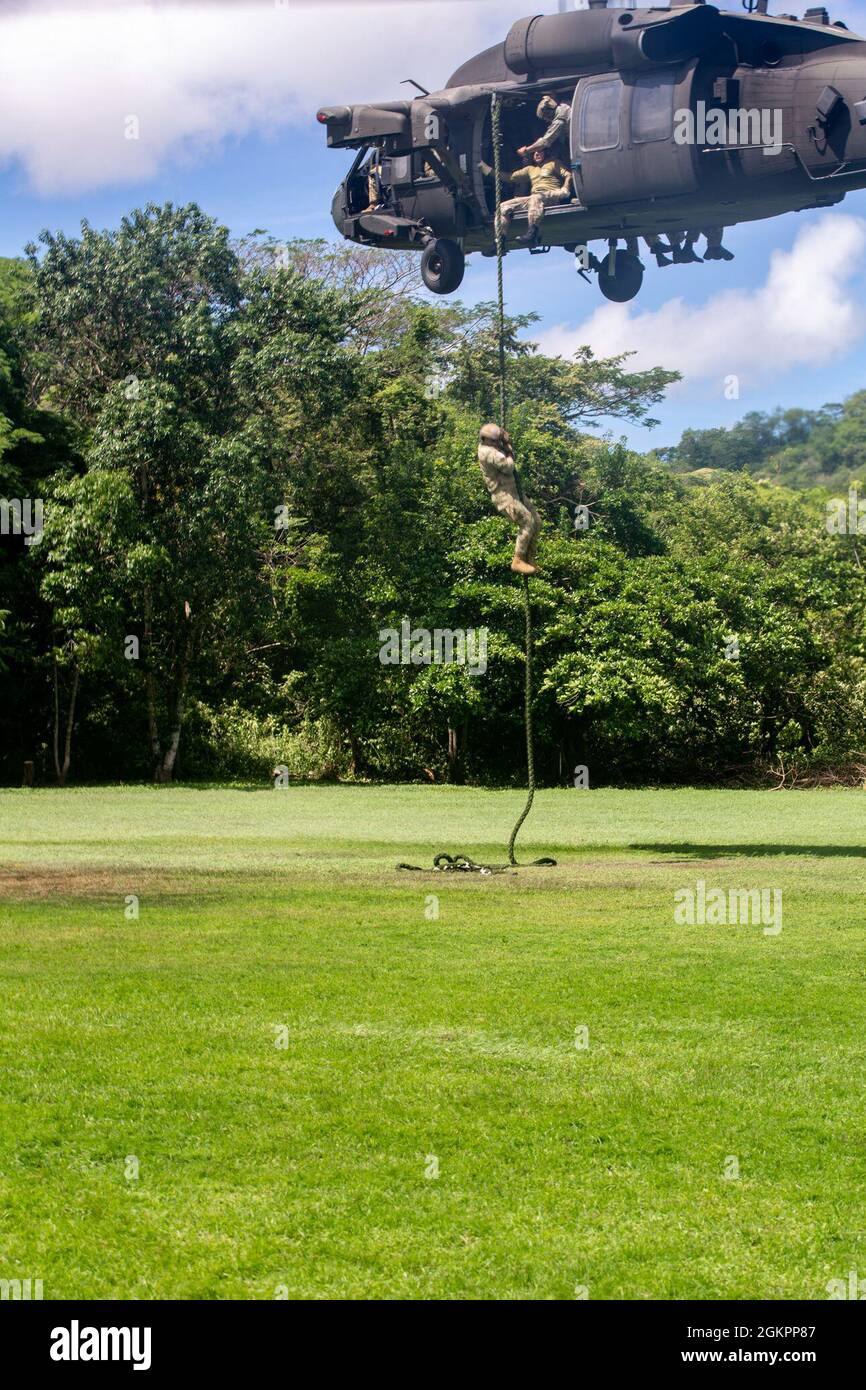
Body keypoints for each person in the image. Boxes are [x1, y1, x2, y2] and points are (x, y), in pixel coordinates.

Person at [477, 423, 540, 576]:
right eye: (494, 440)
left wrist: (504, 442)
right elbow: (508, 466)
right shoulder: (487, 452)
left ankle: (529, 558)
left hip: (514, 492)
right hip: (504, 497)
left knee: (537, 522)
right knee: (527, 522)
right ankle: (517, 560)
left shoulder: (493, 447)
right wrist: (508, 449)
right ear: (484, 439)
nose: (497, 443)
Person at [479, 148, 572, 246]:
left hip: (552, 194)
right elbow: (509, 177)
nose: (537, 154)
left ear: (546, 153)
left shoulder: (553, 163)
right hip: (535, 198)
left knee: (536, 198)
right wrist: (486, 169)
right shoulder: (530, 169)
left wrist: (565, 189)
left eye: (540, 151)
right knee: (502, 207)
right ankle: (500, 240)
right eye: (535, 152)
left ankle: (532, 233)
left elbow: (568, 175)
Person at [519, 94, 571, 159]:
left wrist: (526, 150)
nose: (546, 120)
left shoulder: (559, 121)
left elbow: (545, 142)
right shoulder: (565, 105)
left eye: (545, 117)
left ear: (550, 112)